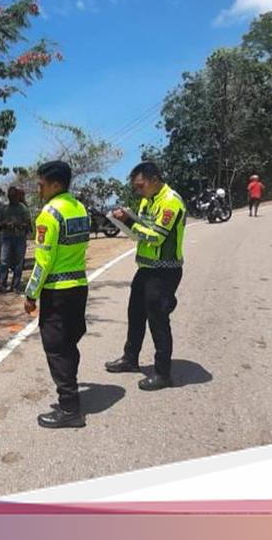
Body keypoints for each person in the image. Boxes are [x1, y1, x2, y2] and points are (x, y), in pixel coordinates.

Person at [105, 161, 187, 391]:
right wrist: (126, 222)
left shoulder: (170, 201)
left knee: (158, 320)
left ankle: (163, 373)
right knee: (135, 314)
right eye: (136, 187)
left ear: (154, 180)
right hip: (146, 268)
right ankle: (130, 358)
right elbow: (140, 233)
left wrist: (129, 221)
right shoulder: (147, 200)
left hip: (165, 270)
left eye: (140, 186)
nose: (138, 191)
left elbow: (156, 237)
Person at [24, 161, 91, 429]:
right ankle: (71, 391)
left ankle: (69, 408)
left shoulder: (49, 215)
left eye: (41, 184)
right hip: (79, 286)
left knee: (56, 348)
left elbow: (43, 261)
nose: (38, 189)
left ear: (55, 184)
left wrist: (30, 293)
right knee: (69, 343)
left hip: (57, 292)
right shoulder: (79, 208)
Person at [0, 186, 32, 293]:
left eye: (14, 196)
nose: (12, 198)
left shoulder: (23, 208)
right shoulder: (4, 208)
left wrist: (18, 225)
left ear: (17, 196)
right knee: (3, 261)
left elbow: (28, 225)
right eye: (10, 196)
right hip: (7, 237)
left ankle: (16, 286)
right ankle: (2, 285)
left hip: (19, 238)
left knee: (18, 263)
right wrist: (5, 224)